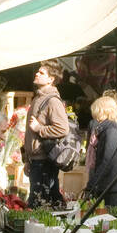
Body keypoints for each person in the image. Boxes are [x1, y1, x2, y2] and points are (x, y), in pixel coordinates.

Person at [23, 60, 69, 208]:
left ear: (51, 79)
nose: (37, 73)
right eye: (38, 71)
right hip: (36, 161)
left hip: (45, 163)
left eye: (42, 73)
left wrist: (39, 129)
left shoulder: (53, 101)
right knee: (40, 204)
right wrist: (27, 159)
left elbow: (63, 129)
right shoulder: (38, 98)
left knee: (41, 205)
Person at [87, 96, 117, 207]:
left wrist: (92, 183)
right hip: (110, 185)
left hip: (112, 187)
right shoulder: (106, 129)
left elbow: (107, 160)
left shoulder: (111, 130)